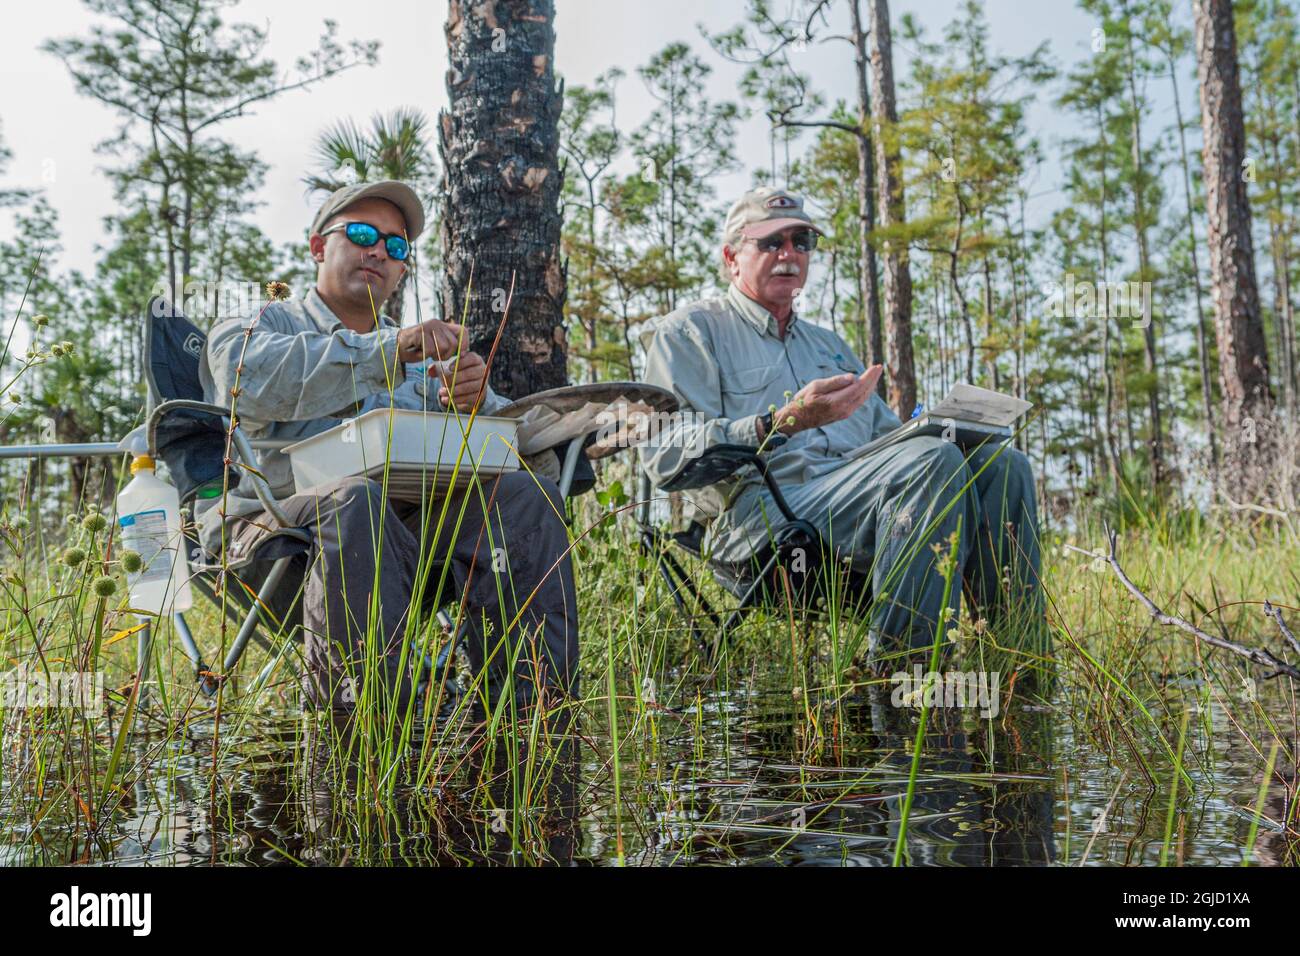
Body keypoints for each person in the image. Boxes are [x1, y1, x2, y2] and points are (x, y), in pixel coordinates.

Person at [197, 180, 578, 711]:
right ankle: (355, 730)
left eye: (396, 246)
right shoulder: (263, 322)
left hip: (409, 536)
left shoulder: (428, 359)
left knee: (524, 498)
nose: (379, 250)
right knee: (356, 500)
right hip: (271, 534)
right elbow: (249, 381)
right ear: (317, 247)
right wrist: (389, 351)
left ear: (402, 268)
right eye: (360, 233)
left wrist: (479, 404)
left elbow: (511, 443)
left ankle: (532, 721)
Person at [640, 186, 1045, 671]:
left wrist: (942, 428)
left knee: (1004, 465)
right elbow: (664, 454)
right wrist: (778, 423)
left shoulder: (828, 346)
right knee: (931, 463)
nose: (789, 254)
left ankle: (1021, 669)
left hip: (859, 501)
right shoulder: (692, 331)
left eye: (801, 242)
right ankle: (901, 680)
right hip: (765, 519)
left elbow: (893, 444)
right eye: (771, 242)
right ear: (731, 258)